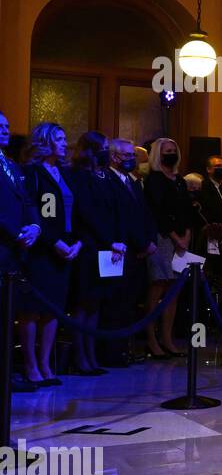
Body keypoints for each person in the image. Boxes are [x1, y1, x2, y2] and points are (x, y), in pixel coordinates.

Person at [18, 122, 81, 386]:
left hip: (65, 248)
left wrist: (77, 243)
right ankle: (30, 365)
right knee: (32, 310)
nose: (65, 143)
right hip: (42, 250)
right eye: (59, 139)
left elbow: (74, 212)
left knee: (53, 310)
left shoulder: (64, 173)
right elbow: (33, 213)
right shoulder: (32, 172)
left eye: (65, 138)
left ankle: (46, 364)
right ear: (45, 141)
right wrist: (52, 241)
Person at [65, 131, 127, 376]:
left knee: (96, 305)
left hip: (110, 246)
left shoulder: (104, 176)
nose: (105, 151)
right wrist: (110, 240)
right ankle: (80, 357)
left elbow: (117, 209)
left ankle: (91, 355)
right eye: (102, 147)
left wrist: (119, 240)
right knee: (83, 304)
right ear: (91, 149)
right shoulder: (78, 175)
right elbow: (87, 213)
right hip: (90, 246)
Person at [100, 137, 155, 367]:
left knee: (131, 301)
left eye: (133, 155)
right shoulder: (107, 180)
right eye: (128, 155)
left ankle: (127, 349)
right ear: (114, 157)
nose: (132, 159)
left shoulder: (132, 182)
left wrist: (149, 242)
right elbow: (121, 219)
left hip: (136, 253)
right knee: (115, 303)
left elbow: (144, 214)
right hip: (119, 250)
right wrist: (140, 243)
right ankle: (113, 353)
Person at [0, 112, 41, 391]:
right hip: (4, 245)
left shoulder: (12, 165)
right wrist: (16, 233)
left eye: (6, 125)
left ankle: (6, 373)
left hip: (15, 253)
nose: (5, 130)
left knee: (7, 316)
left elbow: (27, 201)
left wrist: (35, 227)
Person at [143, 137, 190, 357]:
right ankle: (151, 340)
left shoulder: (179, 179)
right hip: (162, 237)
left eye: (173, 150)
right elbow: (158, 211)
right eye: (166, 151)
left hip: (181, 237)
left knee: (174, 289)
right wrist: (175, 236)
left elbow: (186, 209)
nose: (170, 154)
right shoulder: (154, 179)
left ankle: (168, 338)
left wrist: (186, 234)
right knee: (158, 286)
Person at [198, 154, 222, 273]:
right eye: (217, 166)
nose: (221, 169)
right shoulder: (202, 187)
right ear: (209, 169)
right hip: (210, 237)